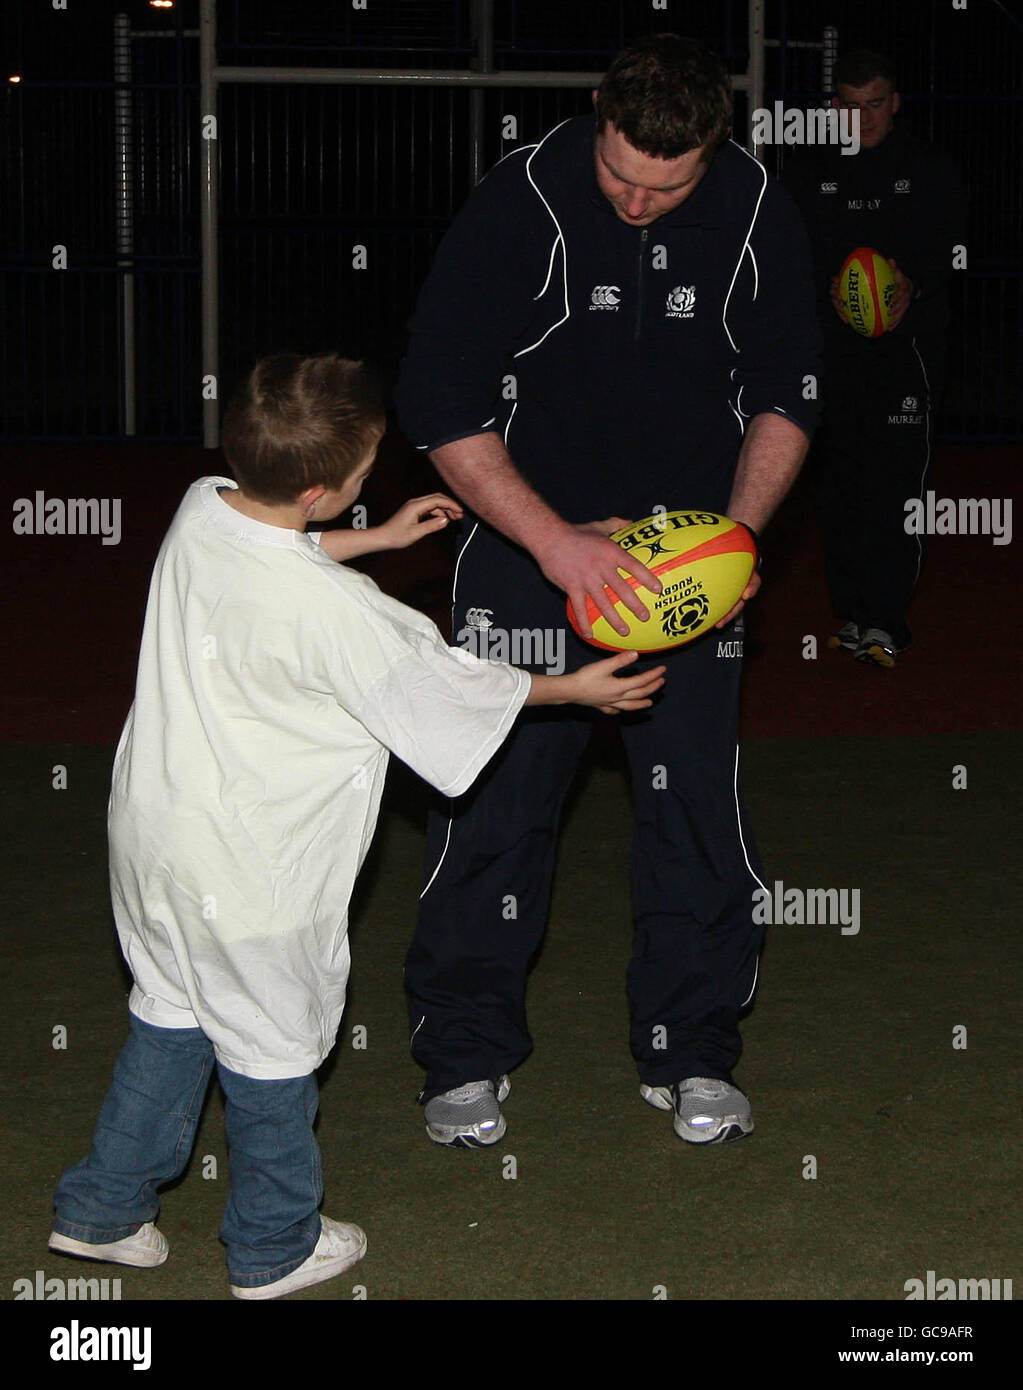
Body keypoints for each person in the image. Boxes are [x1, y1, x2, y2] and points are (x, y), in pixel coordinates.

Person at [47, 353, 665, 1300]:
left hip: (156, 845)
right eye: (368, 470)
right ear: (320, 489)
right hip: (257, 875)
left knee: (170, 1017)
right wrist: (574, 687)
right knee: (273, 1052)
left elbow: (272, 556)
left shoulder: (201, 505)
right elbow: (447, 688)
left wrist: (370, 539)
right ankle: (274, 1245)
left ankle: (101, 1211)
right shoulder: (346, 620)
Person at [394, 35, 821, 1148]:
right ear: (596, 112)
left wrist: (735, 542)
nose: (638, 200)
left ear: (711, 151)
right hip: (527, 543)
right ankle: (464, 1053)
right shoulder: (518, 200)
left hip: (685, 567)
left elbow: (789, 393)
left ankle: (692, 1052)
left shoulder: (757, 211)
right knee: (493, 805)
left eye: (666, 186)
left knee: (693, 813)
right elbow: (439, 405)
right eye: (620, 173)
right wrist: (557, 546)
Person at [782, 49, 966, 667]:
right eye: (851, 106)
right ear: (833, 108)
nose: (864, 119)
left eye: (877, 104)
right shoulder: (808, 175)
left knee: (894, 486)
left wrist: (915, 283)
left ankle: (887, 621)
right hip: (832, 355)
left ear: (897, 102)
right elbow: (788, 263)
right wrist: (823, 291)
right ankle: (855, 614)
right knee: (836, 487)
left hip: (905, 355)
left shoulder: (930, 170)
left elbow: (954, 254)